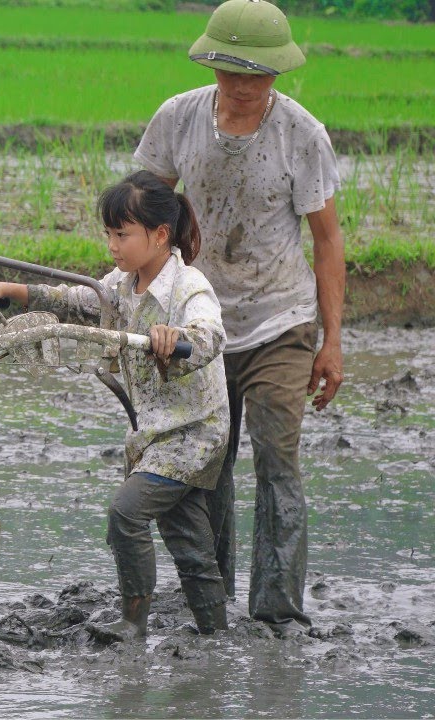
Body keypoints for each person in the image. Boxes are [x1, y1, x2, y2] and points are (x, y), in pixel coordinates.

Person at [133, 0, 346, 634]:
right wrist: (138, 303)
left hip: (281, 321)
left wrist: (332, 342)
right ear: (213, 66)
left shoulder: (301, 134)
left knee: (277, 461)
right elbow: (142, 216)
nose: (244, 87)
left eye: (257, 74)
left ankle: (278, 611)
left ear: (277, 74)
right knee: (207, 459)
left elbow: (327, 241)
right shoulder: (179, 118)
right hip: (201, 324)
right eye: (231, 72)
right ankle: (212, 601)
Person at [0, 170, 230, 640]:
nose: (113, 245)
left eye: (123, 234)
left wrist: (176, 338)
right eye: (109, 234)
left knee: (127, 511)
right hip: (155, 431)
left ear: (159, 235)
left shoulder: (189, 287)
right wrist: (9, 290)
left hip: (194, 432)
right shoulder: (122, 282)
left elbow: (210, 335)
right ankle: (216, 639)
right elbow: (77, 300)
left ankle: (133, 625)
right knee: (190, 543)